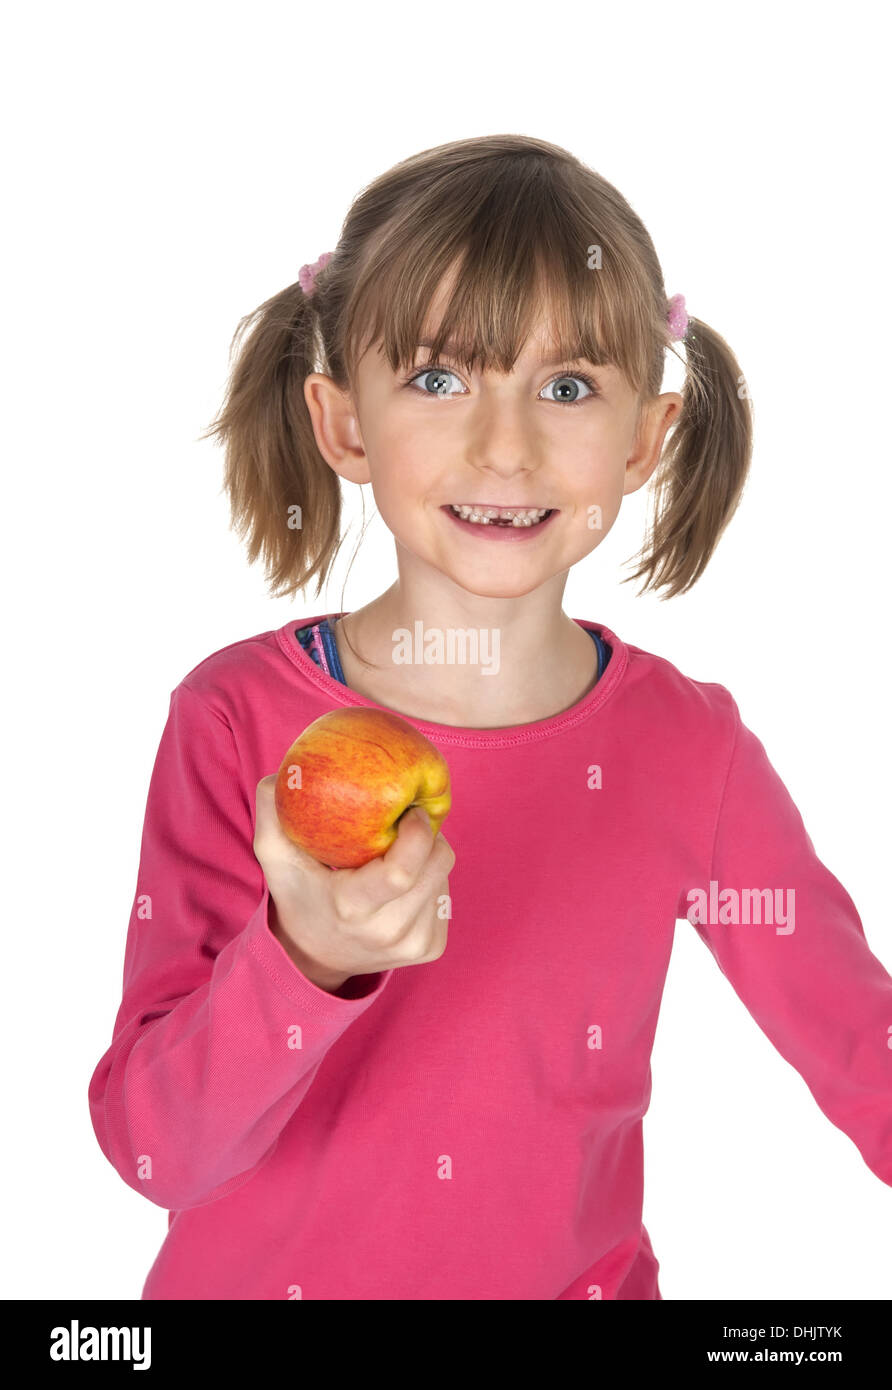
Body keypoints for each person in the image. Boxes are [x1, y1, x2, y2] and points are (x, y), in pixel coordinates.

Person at [88, 133, 892, 1300]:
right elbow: (154, 1151)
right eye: (436, 377)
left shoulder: (689, 749)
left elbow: (863, 1051)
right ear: (344, 424)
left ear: (643, 440)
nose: (504, 447)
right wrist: (307, 959)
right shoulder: (233, 720)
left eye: (565, 388)